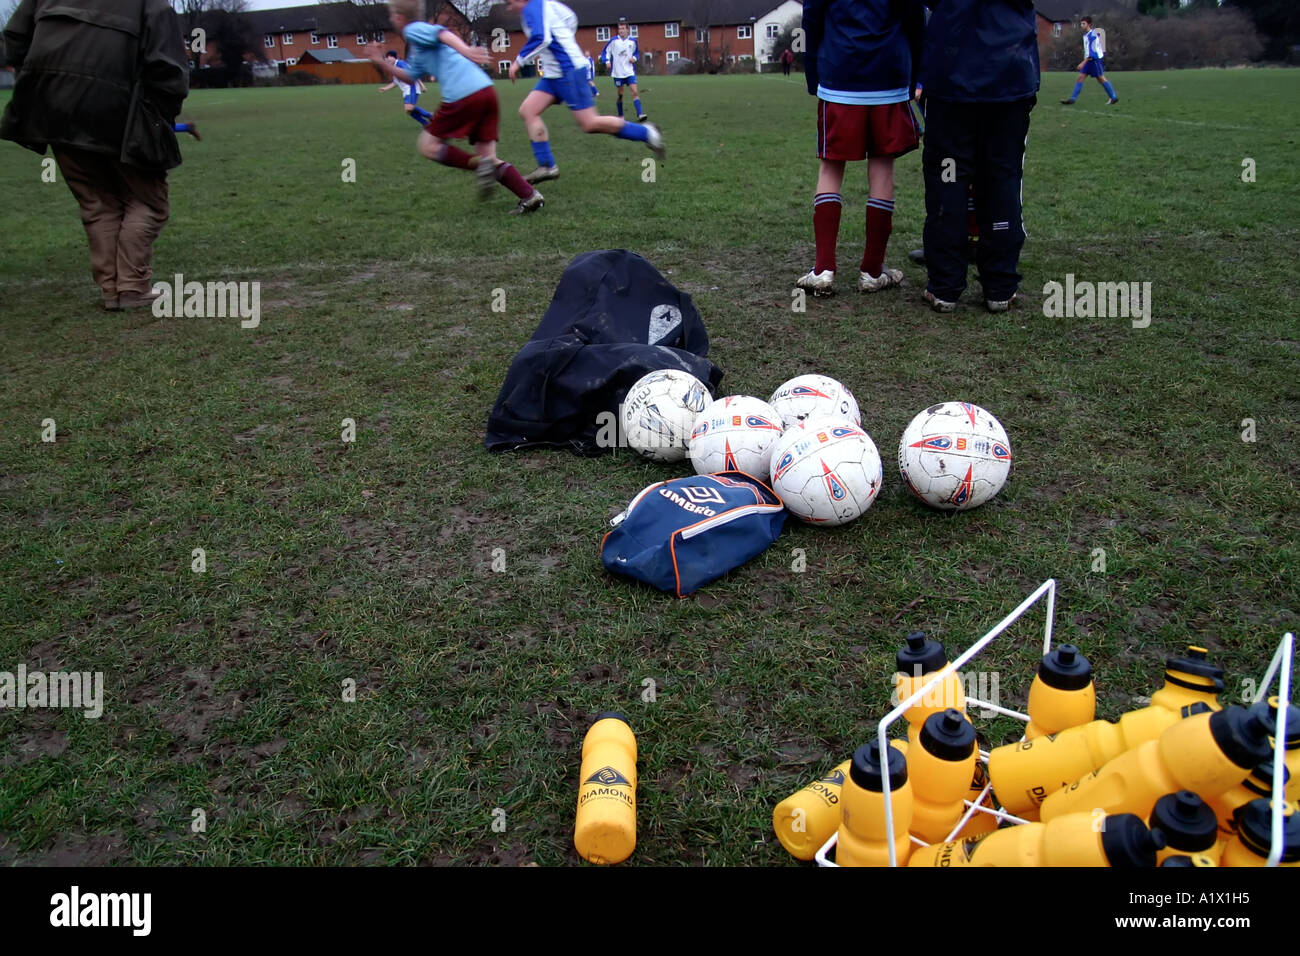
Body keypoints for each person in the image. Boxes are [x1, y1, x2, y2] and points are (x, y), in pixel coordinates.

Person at [1, 0, 188, 311]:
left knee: (96, 202)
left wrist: (39, 77)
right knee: (148, 201)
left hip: (52, 110)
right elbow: (167, 69)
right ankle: (132, 286)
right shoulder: (151, 3)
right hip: (118, 109)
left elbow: (14, 41)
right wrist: (161, 116)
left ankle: (112, 290)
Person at [918, 0, 1039, 313]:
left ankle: (945, 285)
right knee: (1002, 176)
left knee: (948, 177)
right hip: (1008, 75)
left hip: (952, 79)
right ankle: (1000, 285)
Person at [796, 0, 923, 297]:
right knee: (882, 166)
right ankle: (872, 271)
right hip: (888, 77)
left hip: (840, 75)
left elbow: (812, 19)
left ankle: (823, 269)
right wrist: (914, 74)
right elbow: (915, 21)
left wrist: (814, 75)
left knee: (830, 166)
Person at [370, 0, 543, 215]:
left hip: (464, 94)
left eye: (391, 16)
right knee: (489, 158)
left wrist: (466, 50)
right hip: (486, 91)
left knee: (428, 145)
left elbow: (440, 32)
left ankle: (481, 165)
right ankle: (529, 195)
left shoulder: (413, 29)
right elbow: (409, 75)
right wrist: (381, 61)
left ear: (399, 17)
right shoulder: (418, 48)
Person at [506, 0, 663, 185]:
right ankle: (547, 165)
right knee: (528, 110)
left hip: (569, 70)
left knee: (589, 123)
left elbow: (542, 38)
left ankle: (647, 133)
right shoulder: (546, 6)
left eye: (510, 2)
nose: (509, 8)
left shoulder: (533, 7)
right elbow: (571, 19)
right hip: (553, 74)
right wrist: (563, 37)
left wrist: (518, 62)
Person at [1061, 17, 1118, 106]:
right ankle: (1072, 99)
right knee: (1081, 77)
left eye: (1083, 23)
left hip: (1094, 60)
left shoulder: (1092, 36)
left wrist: (1082, 63)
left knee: (1101, 78)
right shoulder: (1087, 35)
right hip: (1089, 60)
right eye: (1081, 24)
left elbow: (1092, 53)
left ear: (1089, 24)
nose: (1081, 25)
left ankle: (1113, 97)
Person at [600, 19, 646, 121]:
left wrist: (634, 58)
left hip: (629, 71)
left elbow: (636, 53)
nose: (620, 30)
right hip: (618, 72)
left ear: (627, 30)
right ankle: (621, 115)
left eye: (623, 28)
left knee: (634, 92)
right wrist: (607, 61)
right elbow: (605, 52)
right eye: (619, 28)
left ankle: (640, 114)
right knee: (620, 95)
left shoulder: (633, 41)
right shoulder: (613, 41)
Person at [378, 49, 432, 126]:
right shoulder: (394, 68)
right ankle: (426, 124)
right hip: (406, 90)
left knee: (409, 108)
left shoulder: (400, 63)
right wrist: (385, 88)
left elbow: (412, 74)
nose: (387, 60)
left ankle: (431, 116)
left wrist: (422, 86)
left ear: (392, 57)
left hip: (411, 87)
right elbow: (395, 82)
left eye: (388, 58)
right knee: (409, 111)